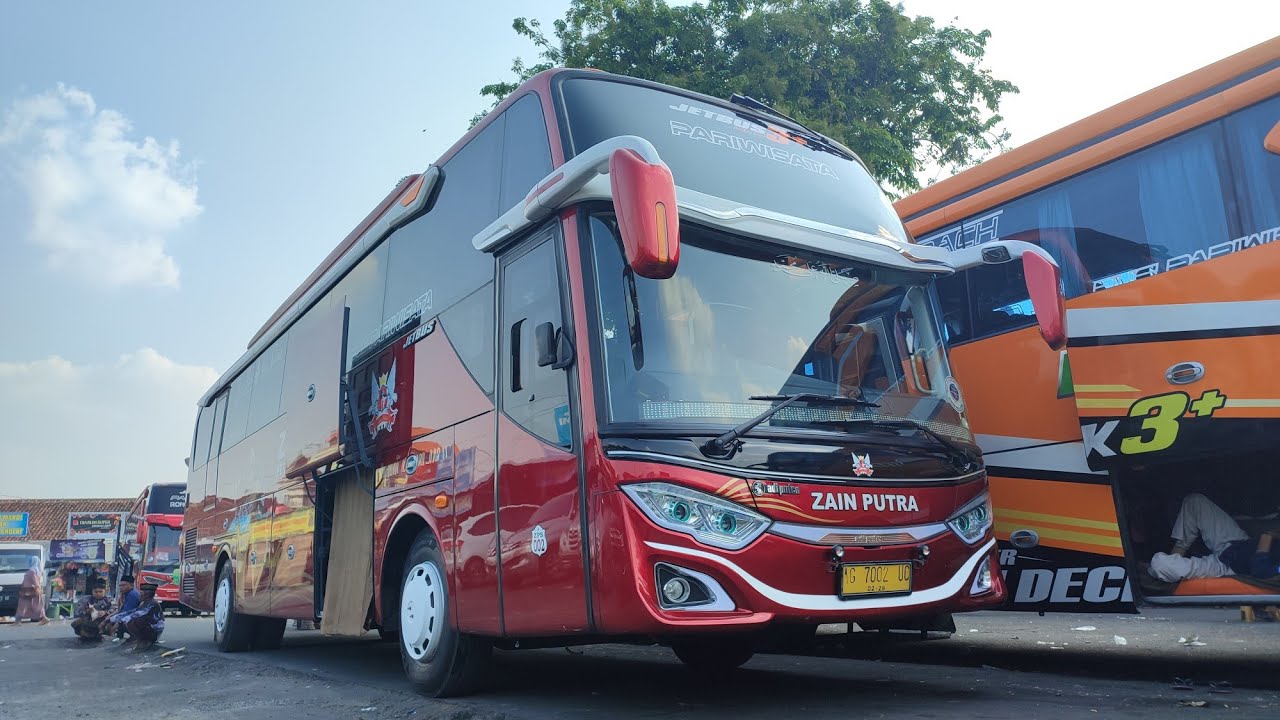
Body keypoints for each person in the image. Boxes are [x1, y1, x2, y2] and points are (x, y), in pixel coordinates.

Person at [1149, 493, 1279, 582]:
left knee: (1159, 564)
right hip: (1238, 542)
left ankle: (1173, 566)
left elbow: (1260, 573)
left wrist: (1267, 537)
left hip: (1229, 567)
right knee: (1195, 501)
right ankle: (1176, 555)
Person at [106, 582, 164, 651]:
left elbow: (137, 614)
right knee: (126, 621)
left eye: (141, 593)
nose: (139, 595)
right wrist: (114, 618)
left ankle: (144, 641)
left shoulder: (152, 603)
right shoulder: (144, 603)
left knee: (133, 621)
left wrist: (120, 619)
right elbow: (132, 611)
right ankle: (137, 640)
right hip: (149, 627)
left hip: (154, 630)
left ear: (147, 594)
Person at [16, 556, 49, 625]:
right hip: (33, 590)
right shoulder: (37, 570)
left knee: (23, 605)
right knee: (37, 605)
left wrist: (37, 588)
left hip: (29, 591)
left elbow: (35, 581)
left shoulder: (32, 571)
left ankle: (17, 621)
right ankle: (44, 618)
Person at [112, 575, 140, 640]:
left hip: (137, 619)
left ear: (131, 585)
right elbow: (121, 610)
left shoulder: (132, 594)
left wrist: (116, 625)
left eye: (124, 585)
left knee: (121, 622)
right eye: (120, 586)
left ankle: (131, 638)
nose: (121, 588)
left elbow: (126, 612)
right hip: (132, 616)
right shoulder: (126, 594)